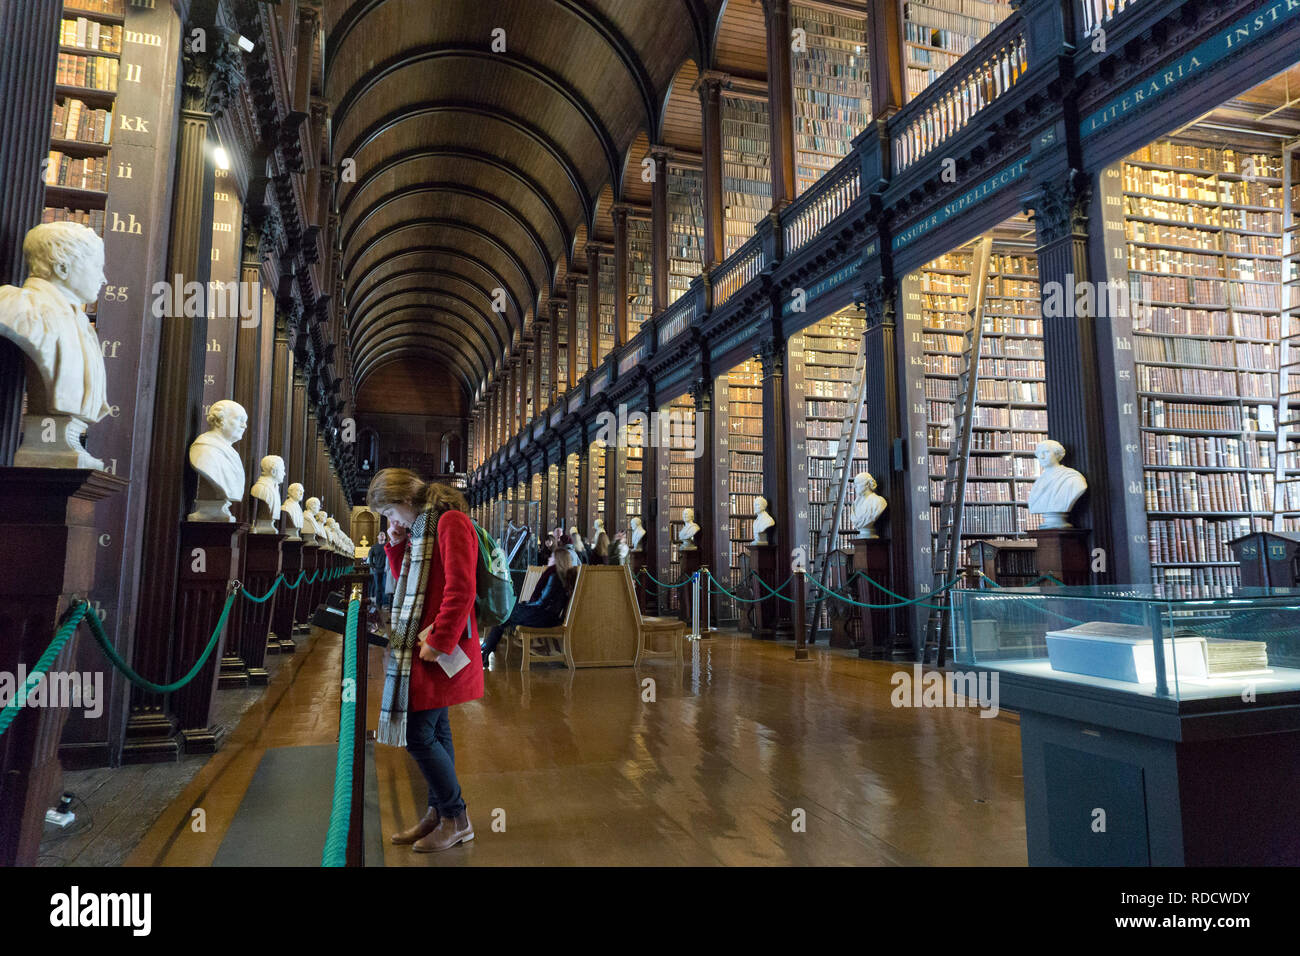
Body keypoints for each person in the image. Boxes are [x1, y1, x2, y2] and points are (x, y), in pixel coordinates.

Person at [368, 468, 482, 853]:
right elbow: (407, 583)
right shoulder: (422, 529)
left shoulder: (450, 523)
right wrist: (396, 546)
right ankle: (438, 813)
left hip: (438, 647)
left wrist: (441, 640)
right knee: (437, 730)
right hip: (421, 645)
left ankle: (457, 817)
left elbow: (462, 587)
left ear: (402, 500)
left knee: (418, 735)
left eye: (389, 512)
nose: (390, 520)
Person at [480, 546, 578, 663]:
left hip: (543, 617)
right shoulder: (564, 575)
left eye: (552, 556)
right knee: (506, 613)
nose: (549, 558)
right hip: (548, 616)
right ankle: (487, 650)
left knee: (506, 614)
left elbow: (543, 602)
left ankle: (486, 650)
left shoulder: (554, 575)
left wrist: (525, 606)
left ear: (558, 560)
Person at [368, 530, 390, 610]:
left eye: (383, 535)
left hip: (385, 569)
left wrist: (388, 567)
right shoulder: (374, 547)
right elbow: (370, 557)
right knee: (378, 587)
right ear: (378, 537)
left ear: (385, 537)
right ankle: (378, 603)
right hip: (377, 569)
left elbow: (390, 556)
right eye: (380, 535)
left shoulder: (387, 545)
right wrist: (372, 566)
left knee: (384, 586)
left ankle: (385, 603)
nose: (382, 536)